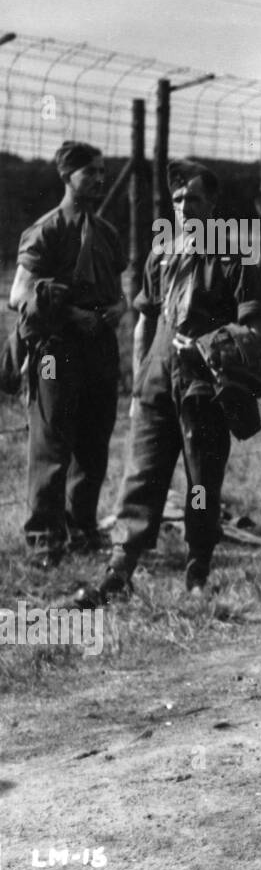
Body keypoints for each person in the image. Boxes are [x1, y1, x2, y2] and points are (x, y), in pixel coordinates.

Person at [79, 160, 261, 604]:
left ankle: (197, 567)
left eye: (194, 199)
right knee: (140, 475)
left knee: (201, 482)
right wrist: (139, 379)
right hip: (157, 381)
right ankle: (119, 569)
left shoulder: (233, 249)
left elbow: (258, 329)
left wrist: (212, 343)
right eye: (178, 199)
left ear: (213, 204)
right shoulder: (162, 248)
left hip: (205, 384)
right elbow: (145, 317)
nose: (184, 206)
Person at [9, 141, 127, 569]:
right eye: (89, 172)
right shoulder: (47, 230)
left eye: (102, 170)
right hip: (55, 348)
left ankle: (81, 529)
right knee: (52, 440)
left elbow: (117, 294)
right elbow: (18, 293)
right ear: (66, 176)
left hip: (99, 346)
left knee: (94, 441)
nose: (99, 178)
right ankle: (43, 539)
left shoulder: (108, 234)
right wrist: (71, 313)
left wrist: (117, 309)